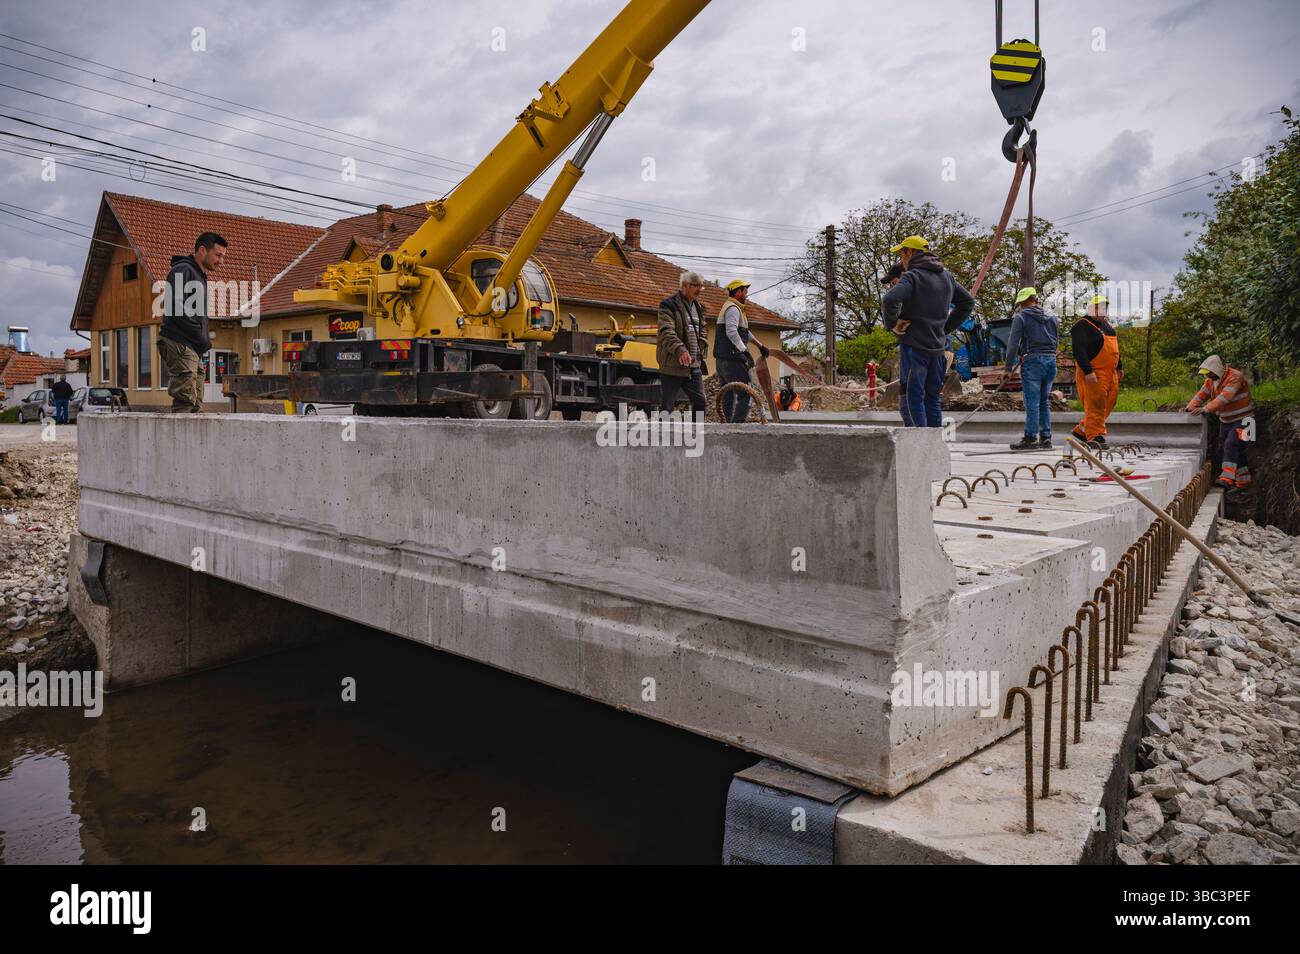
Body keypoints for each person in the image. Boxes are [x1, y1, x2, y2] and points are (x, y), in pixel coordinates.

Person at [882, 236, 974, 428]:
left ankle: (919, 445)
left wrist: (893, 324)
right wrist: (946, 327)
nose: (901, 260)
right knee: (932, 399)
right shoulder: (946, 277)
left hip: (915, 348)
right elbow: (967, 303)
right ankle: (933, 446)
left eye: (902, 254)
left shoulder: (913, 277)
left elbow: (889, 300)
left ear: (910, 252)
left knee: (912, 397)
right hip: (938, 349)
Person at [158, 231, 227, 413]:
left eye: (223, 257)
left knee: (195, 404)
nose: (221, 261)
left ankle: (194, 441)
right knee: (185, 402)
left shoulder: (198, 274)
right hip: (180, 342)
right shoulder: (183, 270)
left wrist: (202, 341)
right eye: (218, 255)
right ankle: (179, 441)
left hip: (191, 345)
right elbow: (176, 309)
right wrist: (200, 337)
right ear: (203, 250)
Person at [1186, 354, 1256, 490]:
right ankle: (1244, 481)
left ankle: (1227, 478)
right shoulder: (1210, 381)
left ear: (1216, 370)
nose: (1208, 376)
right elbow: (1201, 394)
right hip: (1226, 420)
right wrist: (1190, 407)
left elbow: (1225, 398)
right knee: (1234, 449)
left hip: (1246, 421)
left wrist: (1205, 409)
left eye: (1209, 373)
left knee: (1231, 444)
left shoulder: (1235, 377)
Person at [1002, 287, 1060, 450]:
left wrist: (1008, 368)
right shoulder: (1053, 318)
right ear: (1036, 300)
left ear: (1023, 302)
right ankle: (1046, 438)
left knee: (1032, 402)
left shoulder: (1020, 318)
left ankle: (1030, 438)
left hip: (1033, 363)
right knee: (1043, 401)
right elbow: (1055, 343)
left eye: (1021, 303)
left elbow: (1012, 344)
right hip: (1050, 361)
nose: (1020, 306)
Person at [1069, 294, 1123, 445]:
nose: (1102, 312)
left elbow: (1115, 349)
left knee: (1110, 402)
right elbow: (1079, 351)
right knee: (1095, 404)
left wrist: (1119, 366)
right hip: (1093, 371)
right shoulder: (1081, 326)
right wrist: (1088, 371)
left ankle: (1081, 430)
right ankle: (1094, 436)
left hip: (1110, 372)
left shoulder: (1107, 327)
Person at [713, 279, 769, 423]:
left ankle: (726, 428)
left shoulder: (733, 308)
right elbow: (732, 332)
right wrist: (744, 351)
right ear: (738, 292)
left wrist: (760, 345)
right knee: (745, 394)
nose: (747, 294)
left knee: (728, 395)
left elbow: (744, 332)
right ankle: (735, 428)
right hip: (733, 360)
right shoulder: (733, 308)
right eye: (745, 291)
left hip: (722, 360)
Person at [656, 271, 709, 417]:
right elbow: (666, 331)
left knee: (700, 401)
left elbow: (702, 331)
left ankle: (696, 435)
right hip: (673, 365)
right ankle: (663, 436)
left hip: (693, 365)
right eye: (696, 285)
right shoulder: (668, 305)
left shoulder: (699, 308)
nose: (699, 289)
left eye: (701, 286)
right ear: (685, 286)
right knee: (667, 405)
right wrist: (680, 349)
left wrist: (701, 346)